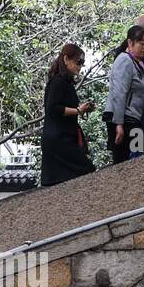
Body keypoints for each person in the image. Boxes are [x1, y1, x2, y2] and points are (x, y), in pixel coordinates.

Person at [40, 44, 96, 186]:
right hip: (58, 139)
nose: (80, 66)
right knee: (85, 169)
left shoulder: (65, 83)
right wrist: (78, 110)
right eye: (78, 62)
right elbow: (52, 108)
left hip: (64, 136)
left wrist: (81, 109)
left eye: (82, 63)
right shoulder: (58, 82)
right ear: (66, 59)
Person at [105, 24, 144, 163]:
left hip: (132, 119)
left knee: (138, 156)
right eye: (141, 43)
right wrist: (119, 124)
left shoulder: (139, 64)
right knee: (131, 159)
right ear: (130, 43)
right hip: (122, 119)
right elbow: (119, 93)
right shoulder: (124, 60)